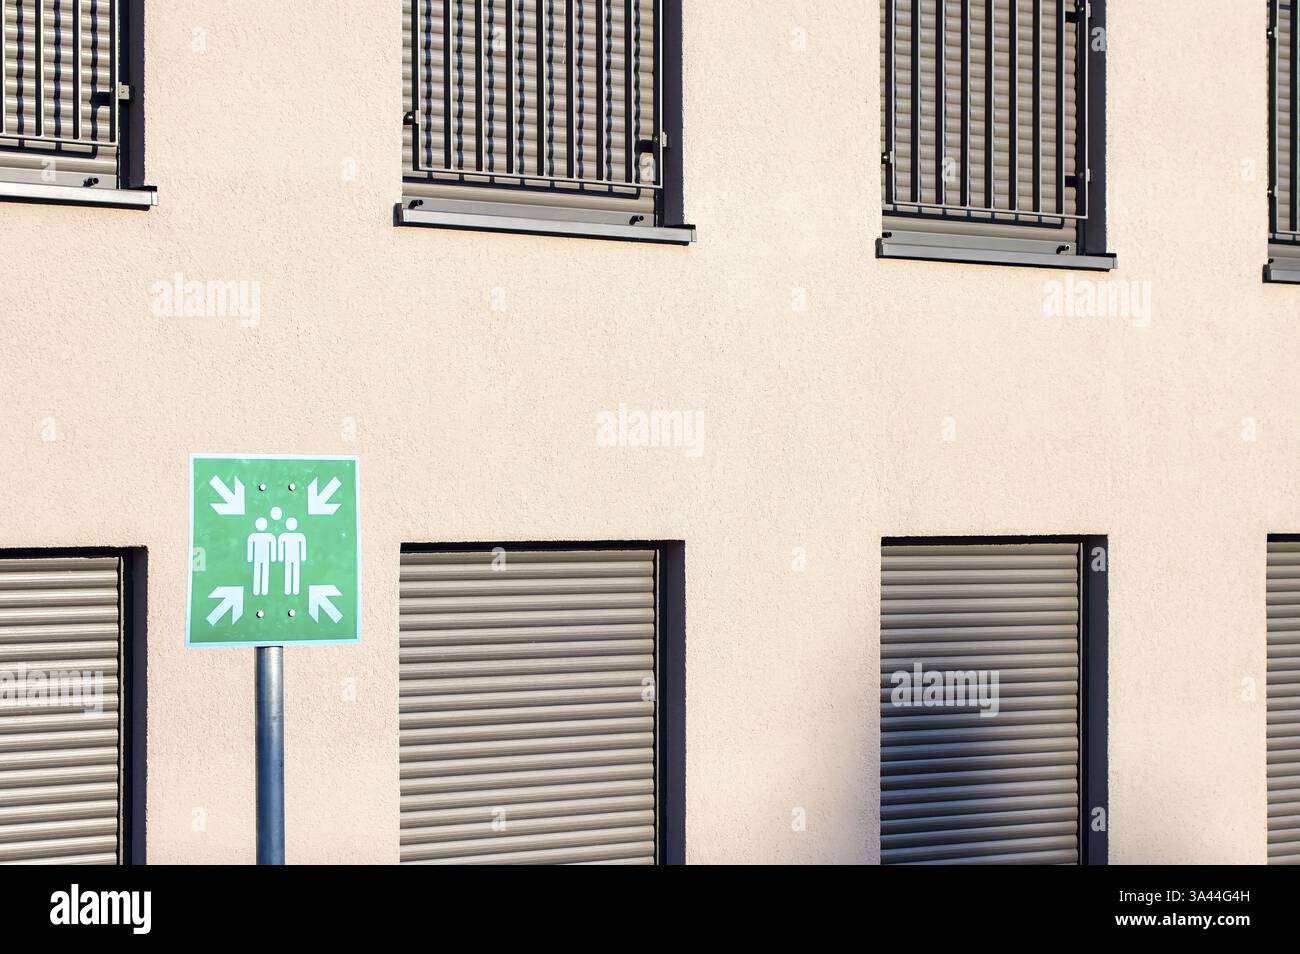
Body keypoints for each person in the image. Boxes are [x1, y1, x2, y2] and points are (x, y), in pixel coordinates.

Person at [246, 517, 277, 596]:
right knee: (258, 572)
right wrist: (250, 558)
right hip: (257, 559)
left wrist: (273, 558)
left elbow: (273, 547)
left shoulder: (270, 536)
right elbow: (250, 547)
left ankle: (264, 590)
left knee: (265, 573)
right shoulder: (253, 536)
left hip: (266, 559)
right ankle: (257, 590)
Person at [278, 517, 307, 596]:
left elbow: (303, 547)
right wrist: (280, 557)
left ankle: (295, 590)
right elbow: (281, 547)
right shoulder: (283, 536)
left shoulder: (300, 536)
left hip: (296, 558)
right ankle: (287, 589)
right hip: (287, 558)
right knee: (288, 572)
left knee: (295, 572)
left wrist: (303, 557)